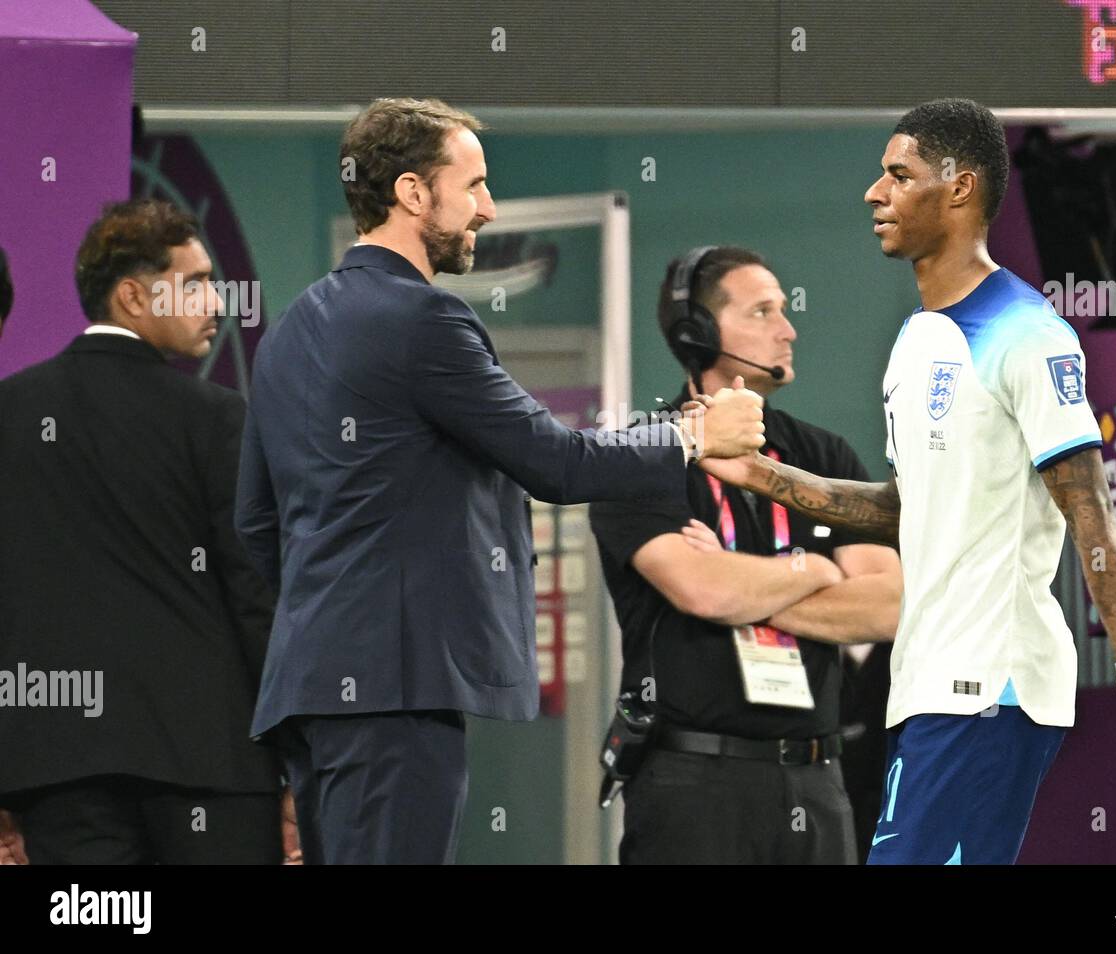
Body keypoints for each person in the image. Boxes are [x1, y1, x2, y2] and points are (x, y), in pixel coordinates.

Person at [234, 98, 765, 865]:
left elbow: (256, 521)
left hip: (315, 691)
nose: (488, 207)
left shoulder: (287, 332)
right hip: (398, 693)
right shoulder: (425, 321)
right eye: (474, 184)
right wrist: (690, 433)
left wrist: (336, 616)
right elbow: (555, 461)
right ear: (413, 193)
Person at [699, 99, 1116, 865]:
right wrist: (764, 476)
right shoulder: (915, 341)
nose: (875, 193)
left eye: (899, 175)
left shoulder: (1030, 336)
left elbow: (1092, 522)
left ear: (960, 189)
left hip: (990, 688)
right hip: (931, 687)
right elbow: (907, 510)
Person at [589, 245, 901, 864]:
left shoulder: (825, 457)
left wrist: (745, 590)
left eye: (783, 310)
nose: (788, 329)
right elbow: (700, 590)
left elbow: (889, 606)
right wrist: (814, 571)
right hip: (695, 779)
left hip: (817, 781)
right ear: (699, 333)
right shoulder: (638, 457)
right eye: (762, 312)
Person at [0, 199, 286, 864]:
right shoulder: (218, 418)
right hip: (210, 767)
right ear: (132, 295)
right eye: (195, 283)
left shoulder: (9, 416)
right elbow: (257, 599)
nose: (217, 303)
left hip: (57, 773)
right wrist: (297, 758)